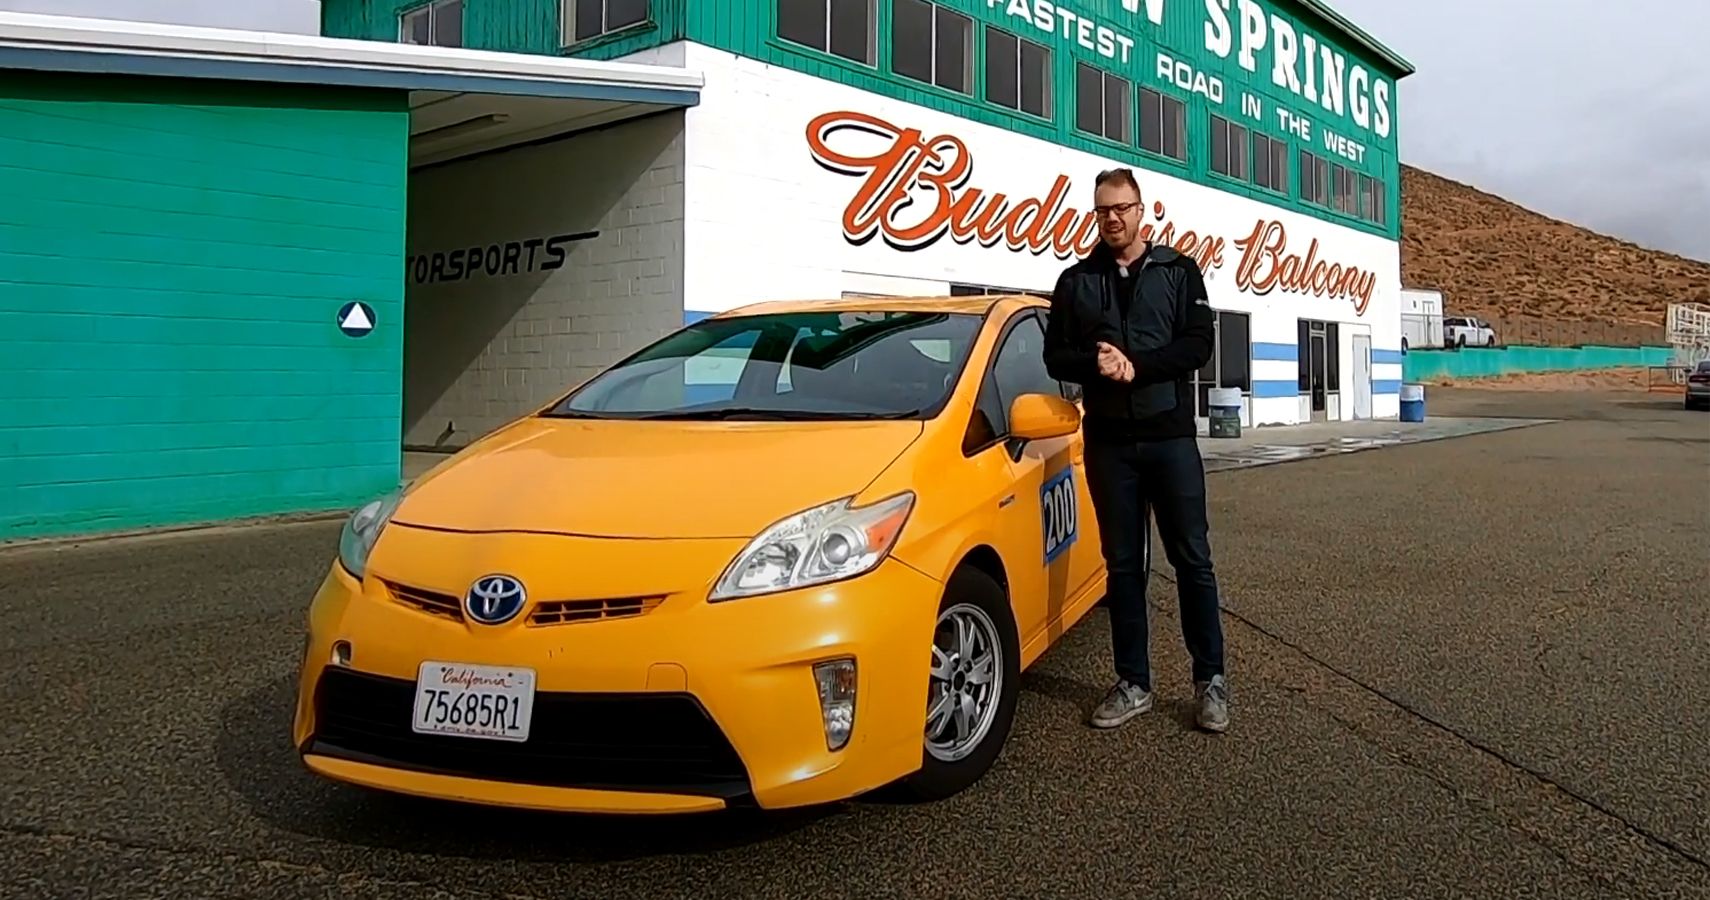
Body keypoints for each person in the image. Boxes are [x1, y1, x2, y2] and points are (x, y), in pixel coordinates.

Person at [1042, 166, 1229, 733]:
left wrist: (1138, 365)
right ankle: (1134, 683)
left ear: (1141, 210)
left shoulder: (1179, 272)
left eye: (1121, 208)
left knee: (1192, 559)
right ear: (1095, 215)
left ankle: (1211, 681)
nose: (1113, 218)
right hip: (1109, 446)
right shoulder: (1077, 281)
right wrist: (1095, 362)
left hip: (1170, 440)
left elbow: (1198, 345)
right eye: (1103, 210)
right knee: (1123, 567)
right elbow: (1055, 355)